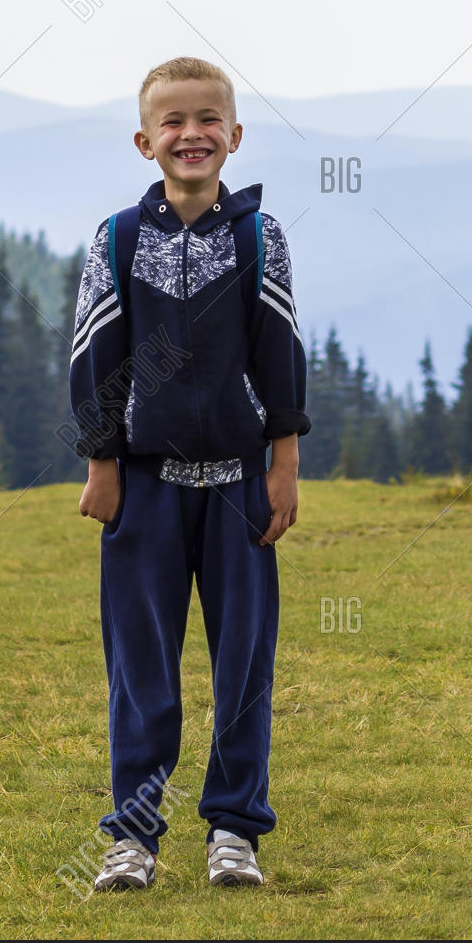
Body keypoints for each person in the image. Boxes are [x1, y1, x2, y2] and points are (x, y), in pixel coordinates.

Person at [68, 57, 309, 890]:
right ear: (145, 142)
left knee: (243, 664)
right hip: (145, 490)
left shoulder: (258, 238)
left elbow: (280, 357)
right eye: (173, 122)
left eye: (209, 119)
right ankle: (132, 836)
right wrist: (102, 462)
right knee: (141, 668)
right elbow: (95, 358)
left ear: (234, 136)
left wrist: (284, 464)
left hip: (242, 486)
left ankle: (235, 831)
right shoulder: (116, 240)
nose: (191, 133)